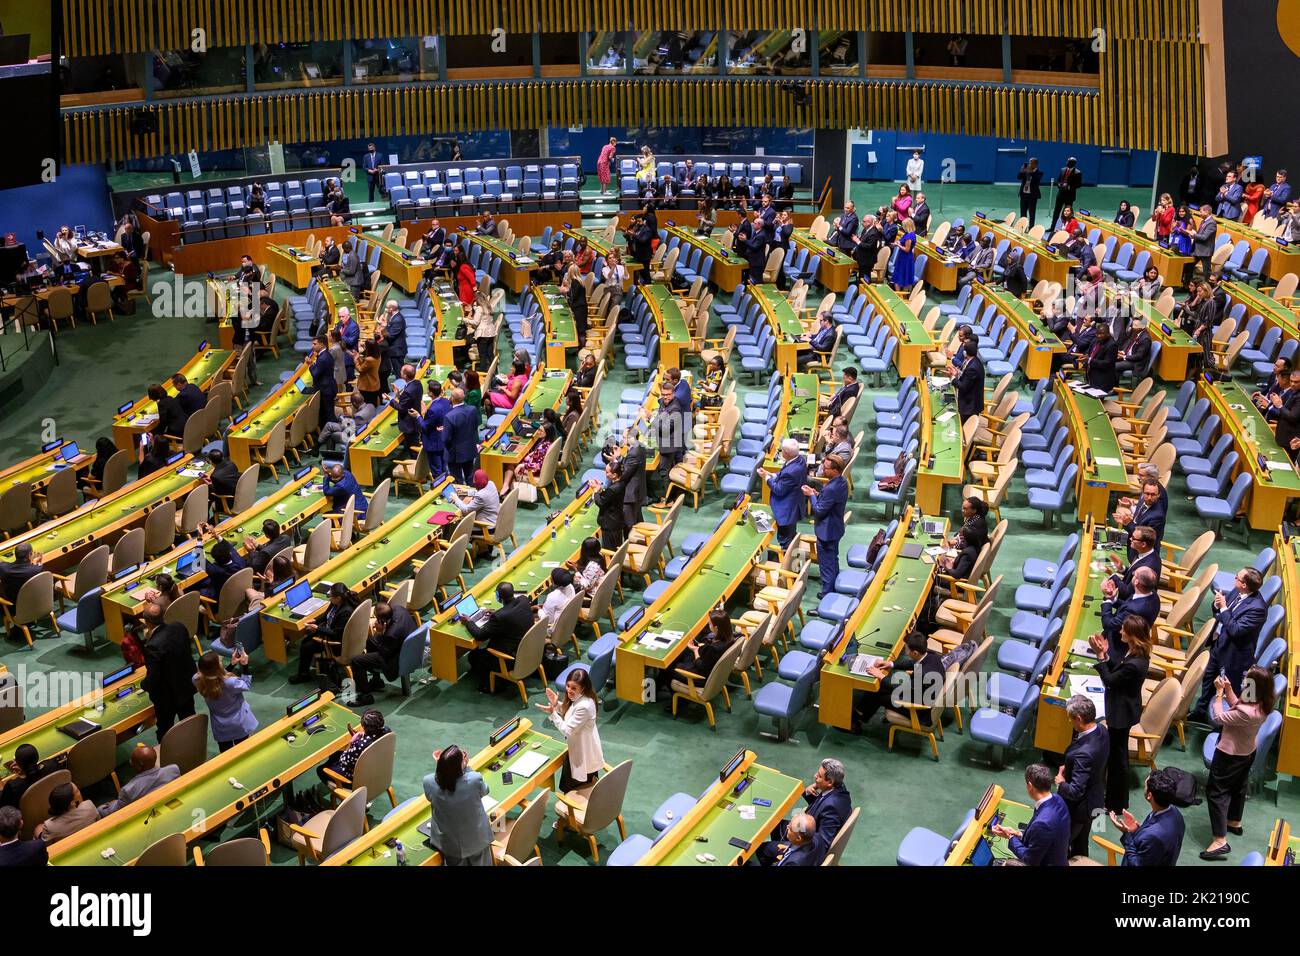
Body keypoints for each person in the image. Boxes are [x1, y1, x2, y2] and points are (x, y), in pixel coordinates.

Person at [1199, 666, 1272, 860]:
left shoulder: (1247, 711)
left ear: (1253, 686)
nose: (1242, 681)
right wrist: (1230, 690)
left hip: (1229, 756)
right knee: (1239, 787)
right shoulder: (1262, 702)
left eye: (1246, 679)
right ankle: (1234, 821)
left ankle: (1219, 840)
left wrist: (1219, 694)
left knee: (1216, 792)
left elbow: (1219, 718)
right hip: (1247, 752)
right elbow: (1237, 707)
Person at [1089, 614, 1152, 811]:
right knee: (1117, 757)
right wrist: (1107, 656)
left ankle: (1116, 804)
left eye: (1124, 629)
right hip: (1123, 707)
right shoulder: (1136, 653)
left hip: (1121, 713)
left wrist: (1100, 656)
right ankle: (1114, 801)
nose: (1120, 631)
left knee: (1118, 760)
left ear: (1132, 635)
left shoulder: (1135, 662)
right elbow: (1117, 672)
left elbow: (1110, 680)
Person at [1190, 567, 1268, 719]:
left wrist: (1224, 607)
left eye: (1237, 578)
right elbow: (1221, 615)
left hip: (1234, 656)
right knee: (1209, 679)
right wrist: (1217, 605)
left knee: (1227, 689)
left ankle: (1223, 725)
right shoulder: (1237, 591)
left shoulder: (1258, 609)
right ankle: (1200, 711)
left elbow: (1235, 630)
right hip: (1219, 643)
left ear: (1244, 585)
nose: (1234, 579)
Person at [755, 757, 850, 866]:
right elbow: (821, 808)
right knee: (771, 823)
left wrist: (794, 847)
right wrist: (811, 791)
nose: (815, 776)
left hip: (805, 840)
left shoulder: (831, 807)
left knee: (763, 848)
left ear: (830, 782)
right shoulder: (840, 789)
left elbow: (824, 842)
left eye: (819, 776)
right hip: (807, 833)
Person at [854, 630, 945, 729]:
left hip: (918, 710)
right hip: (920, 693)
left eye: (906, 649)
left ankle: (857, 721)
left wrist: (881, 676)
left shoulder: (924, 675)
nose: (905, 650)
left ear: (915, 652)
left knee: (879, 692)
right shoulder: (932, 656)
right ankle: (860, 715)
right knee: (884, 686)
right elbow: (913, 664)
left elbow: (902, 689)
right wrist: (891, 664)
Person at [1056, 695, 1109, 859]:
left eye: (1071, 719)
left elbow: (1075, 791)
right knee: (1080, 843)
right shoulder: (1102, 730)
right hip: (1095, 799)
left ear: (1079, 719)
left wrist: (1061, 782)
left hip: (1079, 809)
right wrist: (1072, 767)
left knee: (1060, 845)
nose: (1070, 722)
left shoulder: (1083, 754)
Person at [423, 745, 494, 866]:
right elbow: (485, 790)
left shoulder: (428, 781)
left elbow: (431, 796)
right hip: (477, 839)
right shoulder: (474, 779)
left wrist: (443, 766)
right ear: (460, 766)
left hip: (449, 843)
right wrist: (467, 768)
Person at [990, 764, 1070, 866]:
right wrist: (1018, 835)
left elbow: (1030, 860)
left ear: (1030, 786)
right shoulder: (1058, 800)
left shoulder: (1042, 824)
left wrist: (1010, 837)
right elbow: (1044, 840)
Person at [538, 667, 604, 791]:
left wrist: (553, 714)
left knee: (574, 787)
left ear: (583, 688)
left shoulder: (584, 706)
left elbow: (567, 730)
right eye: (568, 686)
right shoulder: (582, 699)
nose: (569, 690)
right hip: (579, 747)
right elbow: (570, 713)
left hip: (583, 751)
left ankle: (576, 807)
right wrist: (556, 704)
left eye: (574, 688)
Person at [139, 603, 196, 739]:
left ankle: (166, 757)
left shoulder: (153, 646)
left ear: (146, 622)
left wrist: (143, 685)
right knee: (190, 724)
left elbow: (154, 677)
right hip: (186, 686)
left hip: (167, 697)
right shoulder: (179, 627)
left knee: (165, 730)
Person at [464, 582, 534, 692]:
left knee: (473, 656)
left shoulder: (499, 617)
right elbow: (511, 613)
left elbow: (480, 636)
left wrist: (469, 622)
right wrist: (495, 613)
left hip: (509, 658)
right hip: (526, 650)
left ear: (498, 595)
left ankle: (489, 684)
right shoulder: (524, 600)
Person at [1111, 769, 1186, 866]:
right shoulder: (1175, 813)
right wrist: (1136, 830)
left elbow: (1136, 864)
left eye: (1145, 786)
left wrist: (1126, 834)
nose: (1144, 787)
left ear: (1150, 795)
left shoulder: (1153, 836)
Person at [291, 583, 359, 684]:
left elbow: (336, 634)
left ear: (338, 598)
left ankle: (303, 675)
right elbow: (326, 615)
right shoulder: (336, 603)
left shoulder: (345, 612)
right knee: (307, 639)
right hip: (328, 630)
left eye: (330, 596)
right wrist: (314, 621)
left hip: (335, 643)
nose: (329, 598)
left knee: (306, 646)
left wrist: (317, 628)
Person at [351, 602, 418, 704]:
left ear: (381, 619)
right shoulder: (399, 608)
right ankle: (376, 680)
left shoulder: (392, 634)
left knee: (356, 661)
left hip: (396, 660)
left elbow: (383, 653)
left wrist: (379, 632)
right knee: (370, 641)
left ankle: (364, 697)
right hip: (408, 648)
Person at [803, 454, 848, 600]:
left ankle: (827, 595)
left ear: (835, 470)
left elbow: (818, 510)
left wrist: (811, 495)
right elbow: (829, 501)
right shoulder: (841, 481)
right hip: (836, 528)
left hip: (827, 532)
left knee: (826, 565)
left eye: (826, 468)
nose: (823, 470)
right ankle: (833, 588)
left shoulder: (831, 488)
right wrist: (818, 494)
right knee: (833, 560)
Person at [194, 649, 257, 751]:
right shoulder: (230, 683)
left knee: (225, 753)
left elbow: (214, 678)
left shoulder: (197, 680)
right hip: (238, 724)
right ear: (218, 667)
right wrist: (245, 664)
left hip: (220, 727)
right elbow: (246, 685)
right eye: (219, 662)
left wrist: (232, 665)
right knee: (243, 750)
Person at [98, 744, 181, 815]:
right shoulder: (173, 770)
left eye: (132, 760)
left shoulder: (129, 790)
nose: (130, 762)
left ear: (139, 765)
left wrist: (102, 809)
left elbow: (116, 810)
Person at [318, 708, 389, 788]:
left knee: (321, 769)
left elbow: (343, 760)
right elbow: (372, 738)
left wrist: (351, 743)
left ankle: (337, 790)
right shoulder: (387, 731)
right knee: (334, 756)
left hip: (356, 779)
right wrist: (363, 736)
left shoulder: (359, 746)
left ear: (363, 726)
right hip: (377, 769)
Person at [1099, 566, 1159, 653]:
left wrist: (1107, 599)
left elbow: (1109, 624)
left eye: (1134, 575)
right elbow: (1127, 606)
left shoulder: (1135, 610)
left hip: (1116, 647)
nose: (1132, 574)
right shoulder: (1152, 594)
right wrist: (1113, 598)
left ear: (1136, 582)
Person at [763, 439, 808, 549]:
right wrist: (772, 475)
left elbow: (778, 489)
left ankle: (787, 562)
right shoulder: (799, 459)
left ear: (786, 454)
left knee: (785, 540)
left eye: (781, 450)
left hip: (787, 510)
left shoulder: (791, 471)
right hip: (794, 504)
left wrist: (766, 478)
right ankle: (791, 558)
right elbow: (784, 474)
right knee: (791, 534)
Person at [33, 782, 98, 844]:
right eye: (77, 790)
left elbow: (47, 846)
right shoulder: (89, 805)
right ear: (72, 803)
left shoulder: (49, 826)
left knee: (38, 828)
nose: (79, 791)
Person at [443, 388, 480, 484]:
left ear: (452, 399)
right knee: (470, 477)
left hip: (455, 454)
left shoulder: (449, 416)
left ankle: (461, 498)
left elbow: (445, 438)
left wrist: (445, 430)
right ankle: (472, 497)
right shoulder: (473, 409)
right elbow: (475, 426)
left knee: (457, 480)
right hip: (470, 449)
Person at [949, 338, 986, 424]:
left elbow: (963, 387)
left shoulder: (972, 367)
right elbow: (966, 378)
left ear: (965, 352)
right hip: (970, 400)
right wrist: (956, 373)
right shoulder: (973, 361)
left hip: (969, 406)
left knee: (962, 428)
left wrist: (952, 377)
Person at [390, 363, 424, 451]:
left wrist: (391, 400)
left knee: (413, 447)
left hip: (409, 424)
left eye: (401, 371)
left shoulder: (408, 391)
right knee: (411, 443)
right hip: (416, 419)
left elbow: (402, 408)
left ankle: (415, 462)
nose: (400, 372)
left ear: (405, 375)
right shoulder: (417, 383)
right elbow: (409, 400)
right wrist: (398, 394)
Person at [0, 744, 47, 809]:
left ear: (18, 763)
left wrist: (1, 785)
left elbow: (3, 807)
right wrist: (23, 772)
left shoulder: (12, 786)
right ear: (37, 757)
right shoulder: (52, 765)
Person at [307, 334, 338, 427]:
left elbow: (315, 374)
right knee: (325, 413)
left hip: (326, 390)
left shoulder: (323, 358)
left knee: (329, 415)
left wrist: (310, 364)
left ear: (321, 345)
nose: (312, 346)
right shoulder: (325, 354)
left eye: (314, 344)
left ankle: (334, 434)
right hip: (328, 387)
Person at [594, 464, 628, 546]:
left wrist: (595, 491)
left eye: (607, 472)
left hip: (610, 525)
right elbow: (609, 497)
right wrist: (600, 490)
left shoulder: (613, 489)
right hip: (618, 521)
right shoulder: (621, 483)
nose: (605, 474)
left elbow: (601, 502)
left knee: (609, 550)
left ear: (614, 475)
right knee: (617, 546)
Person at [621, 439, 649, 529]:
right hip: (639, 490)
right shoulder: (640, 446)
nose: (623, 439)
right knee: (638, 519)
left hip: (631, 494)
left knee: (629, 525)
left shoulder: (633, 453)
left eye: (625, 436)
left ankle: (632, 542)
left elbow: (624, 474)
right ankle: (644, 540)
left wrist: (616, 460)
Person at [1083, 323, 1120, 393]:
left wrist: (1090, 360)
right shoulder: (1095, 340)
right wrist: (1085, 357)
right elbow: (1089, 353)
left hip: (1102, 379)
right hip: (1091, 374)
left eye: (1101, 334)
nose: (1099, 336)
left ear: (1108, 333)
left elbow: (1106, 363)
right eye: (1097, 333)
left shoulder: (1112, 345)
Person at [1187, 204, 1217, 285]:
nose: (1199, 213)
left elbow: (1204, 237)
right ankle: (1187, 285)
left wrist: (1193, 234)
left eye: (1201, 212)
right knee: (1189, 266)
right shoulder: (1203, 221)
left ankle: (1207, 290)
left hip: (1205, 251)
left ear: (1207, 212)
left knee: (1206, 273)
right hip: (1197, 250)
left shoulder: (1212, 223)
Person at [1051, 157, 1083, 230]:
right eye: (1067, 161)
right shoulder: (1062, 170)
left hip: (1069, 196)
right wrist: (1059, 185)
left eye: (1069, 162)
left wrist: (1069, 187)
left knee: (1067, 213)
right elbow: (1059, 180)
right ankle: (1052, 227)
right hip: (1060, 194)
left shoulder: (1078, 173)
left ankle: (1066, 228)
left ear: (1073, 164)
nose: (1067, 163)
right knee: (1056, 211)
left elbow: (1079, 184)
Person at [1017, 158, 1044, 226]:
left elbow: (1036, 179)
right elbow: (1018, 177)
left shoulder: (1039, 172)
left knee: (1031, 213)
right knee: (1023, 212)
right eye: (1029, 163)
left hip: (1032, 196)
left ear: (1035, 164)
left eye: (1031, 163)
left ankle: (1031, 227)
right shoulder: (1025, 171)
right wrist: (1022, 171)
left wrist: (1030, 172)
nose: (1030, 164)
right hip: (1023, 195)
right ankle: (1022, 226)